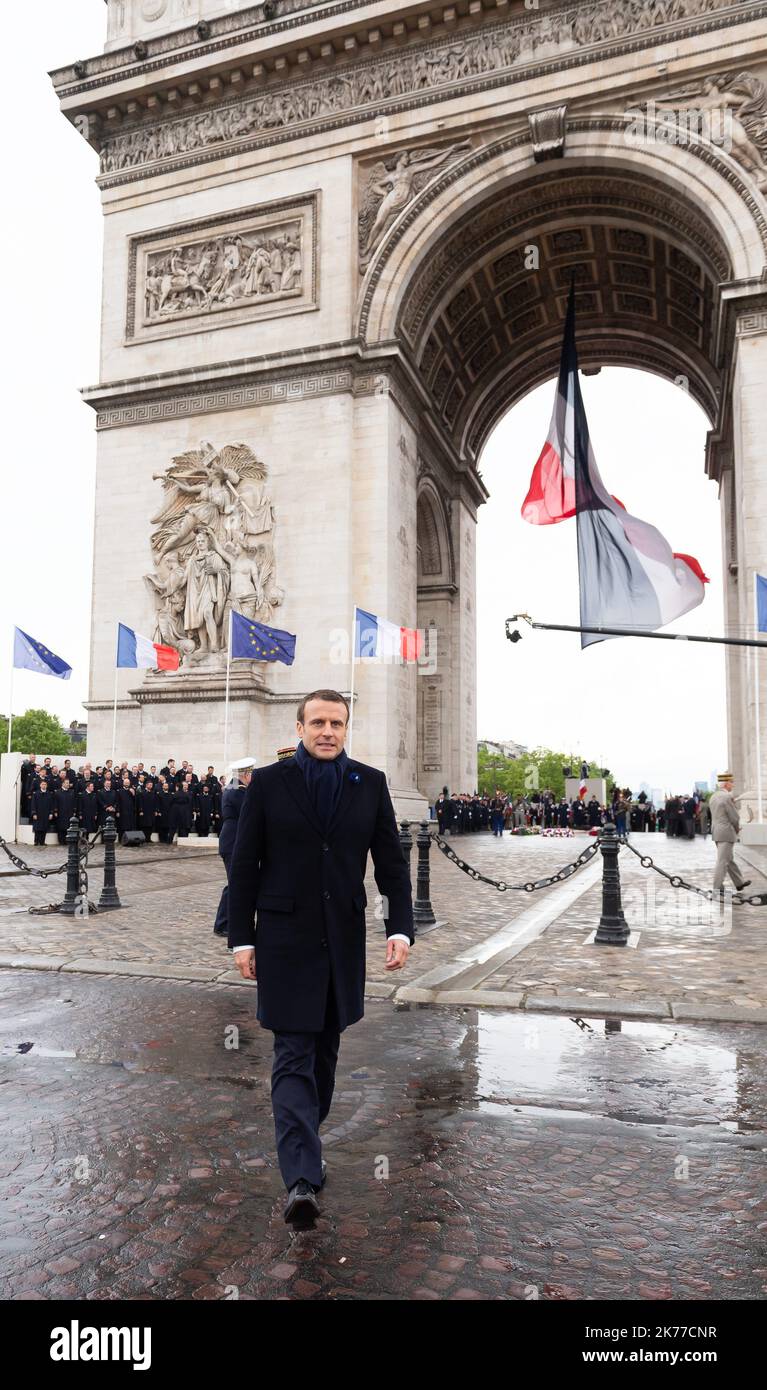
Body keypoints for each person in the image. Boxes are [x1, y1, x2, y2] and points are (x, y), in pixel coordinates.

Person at [227, 689, 414, 1226]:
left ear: (346, 728)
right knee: (292, 1055)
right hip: (283, 942)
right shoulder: (267, 783)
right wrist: (242, 938)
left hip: (343, 942)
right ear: (300, 727)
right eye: (318, 723)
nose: (327, 731)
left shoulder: (371, 783)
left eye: (337, 723)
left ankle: (306, 1145)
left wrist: (399, 926)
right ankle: (301, 1179)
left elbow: (391, 866)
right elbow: (245, 866)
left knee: (325, 1055)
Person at [213, 757, 256, 937]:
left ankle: (224, 922)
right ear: (245, 775)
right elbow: (251, 813)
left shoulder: (235, 788)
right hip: (233, 841)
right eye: (251, 773)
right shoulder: (237, 792)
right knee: (235, 884)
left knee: (234, 884)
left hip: (233, 840)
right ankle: (223, 923)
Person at [710, 773, 751, 896]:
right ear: (726, 783)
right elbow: (734, 817)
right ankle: (717, 888)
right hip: (726, 832)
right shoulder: (726, 797)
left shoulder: (714, 796)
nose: (733, 785)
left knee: (728, 858)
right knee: (723, 861)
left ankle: (739, 882)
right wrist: (738, 829)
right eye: (731, 782)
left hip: (717, 831)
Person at [30, 779, 54, 845]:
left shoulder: (49, 794)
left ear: (47, 786)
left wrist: (51, 813)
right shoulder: (36, 794)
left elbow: (51, 805)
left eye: (45, 784)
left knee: (44, 828)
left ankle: (42, 842)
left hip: (46, 813)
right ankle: (36, 841)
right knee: (37, 828)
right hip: (38, 813)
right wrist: (34, 813)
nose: (44, 786)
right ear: (40, 785)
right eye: (43, 784)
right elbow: (33, 804)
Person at [54, 779, 77, 845]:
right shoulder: (58, 792)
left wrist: (74, 811)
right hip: (61, 812)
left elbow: (74, 802)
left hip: (69, 812)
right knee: (61, 827)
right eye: (66, 783)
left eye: (68, 783)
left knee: (68, 826)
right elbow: (55, 802)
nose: (68, 784)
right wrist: (55, 811)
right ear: (63, 784)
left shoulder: (71, 792)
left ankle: (67, 841)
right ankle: (61, 841)